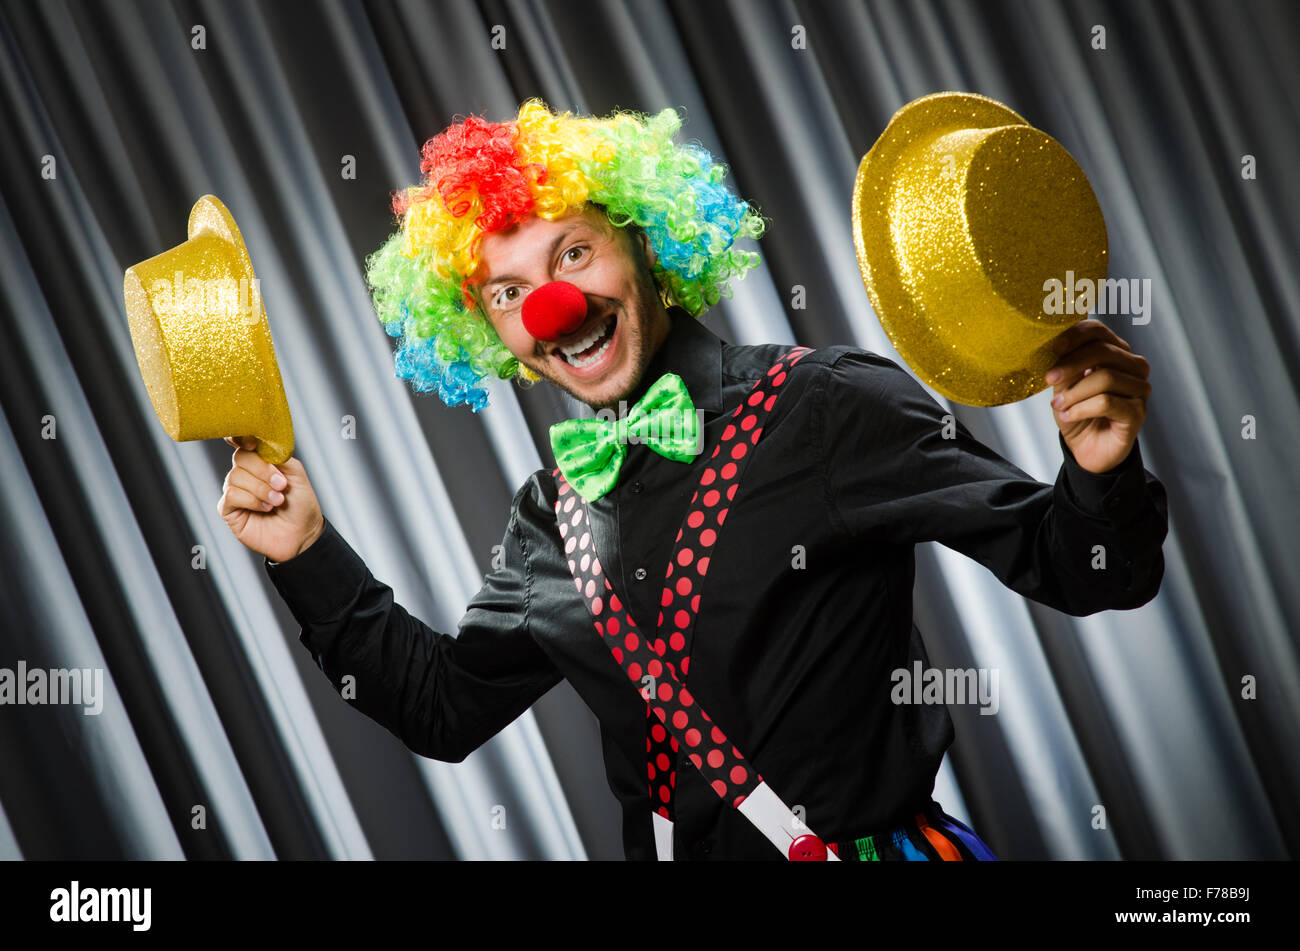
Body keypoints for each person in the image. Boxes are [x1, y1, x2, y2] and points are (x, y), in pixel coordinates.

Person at [217, 99, 1167, 860]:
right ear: (492, 334)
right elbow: (442, 706)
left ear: (649, 250)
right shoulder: (551, 515)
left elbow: (1087, 568)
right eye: (508, 293)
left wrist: (1102, 470)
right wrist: (305, 551)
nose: (552, 306)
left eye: (574, 252)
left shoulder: (826, 405)